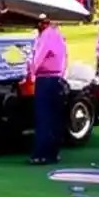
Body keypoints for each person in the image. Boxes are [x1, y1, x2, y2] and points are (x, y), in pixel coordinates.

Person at [27, 16, 68, 165]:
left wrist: (30, 72)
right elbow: (65, 59)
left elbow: (38, 58)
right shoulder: (59, 36)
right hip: (57, 78)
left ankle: (41, 154)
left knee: (43, 117)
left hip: (45, 79)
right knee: (55, 118)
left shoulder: (46, 35)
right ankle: (53, 152)